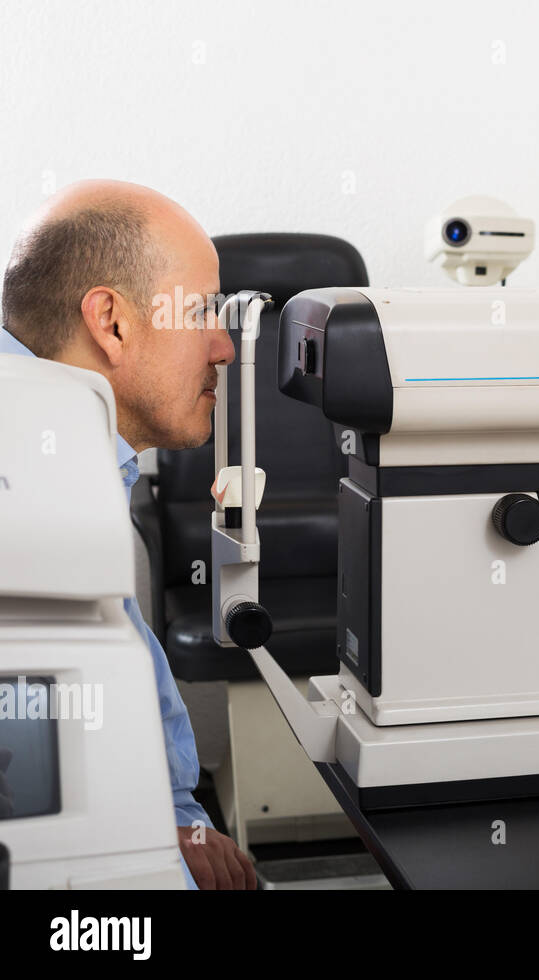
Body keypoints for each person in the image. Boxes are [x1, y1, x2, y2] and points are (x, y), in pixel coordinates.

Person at [1, 179, 257, 889]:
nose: (224, 347)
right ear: (110, 321)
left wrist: (176, 815)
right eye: (203, 311)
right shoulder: (19, 487)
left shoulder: (62, 452)